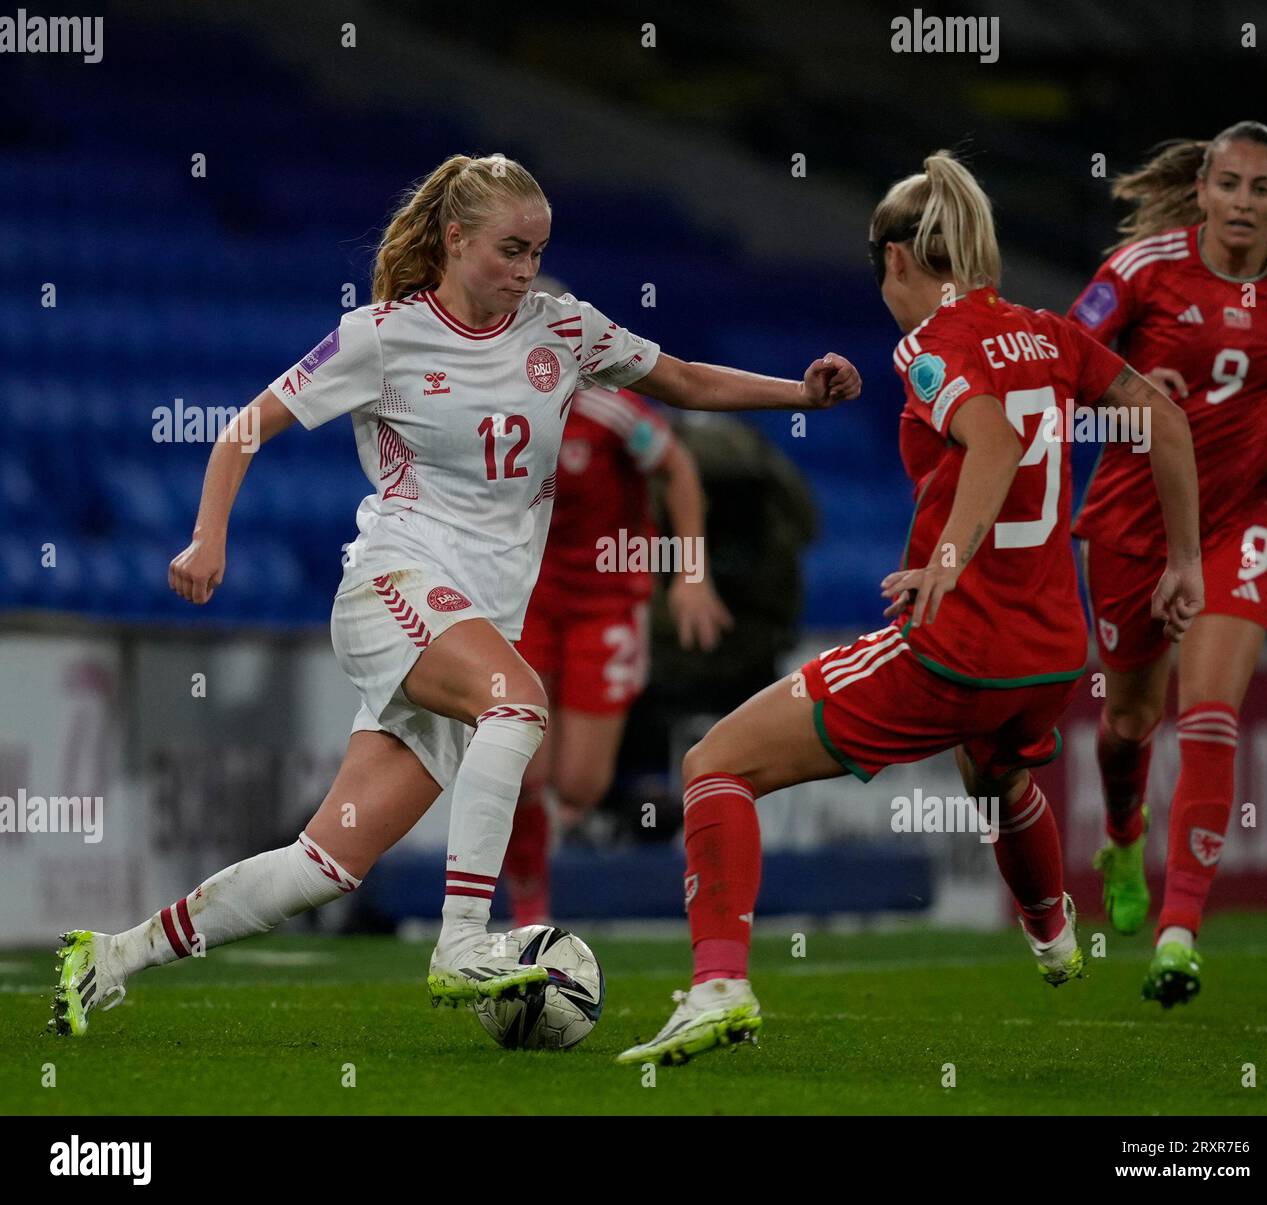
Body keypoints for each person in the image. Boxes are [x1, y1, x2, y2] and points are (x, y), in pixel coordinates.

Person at [50, 152, 861, 1036]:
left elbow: (684, 379)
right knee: (520, 702)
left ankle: (113, 954)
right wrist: (210, 535)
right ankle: (463, 939)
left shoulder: (564, 330)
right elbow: (246, 426)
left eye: (537, 252)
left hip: (471, 623)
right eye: (510, 250)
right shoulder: (382, 336)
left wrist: (799, 395)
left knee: (325, 865)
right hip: (392, 586)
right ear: (454, 238)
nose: (525, 271)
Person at [617, 151, 1203, 1068]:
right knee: (997, 774)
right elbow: (1163, 415)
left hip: (957, 648)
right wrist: (1187, 558)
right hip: (1053, 652)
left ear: (895, 258)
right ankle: (1053, 935)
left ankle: (719, 986)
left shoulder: (929, 345)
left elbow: (993, 440)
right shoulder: (1049, 333)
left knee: (715, 764)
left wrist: (946, 561)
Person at [1068, 121, 1267, 1006]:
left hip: (1245, 516)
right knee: (1129, 723)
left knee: (1209, 713)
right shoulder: (1142, 270)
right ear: (1201, 191)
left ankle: (1179, 933)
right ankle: (1124, 834)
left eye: (1262, 188)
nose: (1243, 202)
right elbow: (1061, 360)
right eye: (1229, 184)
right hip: (1135, 524)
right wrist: (1122, 392)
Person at [501, 275, 732, 924]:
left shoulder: (607, 409)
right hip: (528, 597)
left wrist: (691, 573)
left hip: (607, 599)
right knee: (522, 766)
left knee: (579, 783)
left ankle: (580, 836)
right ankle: (528, 905)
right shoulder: (491, 411)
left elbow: (677, 467)